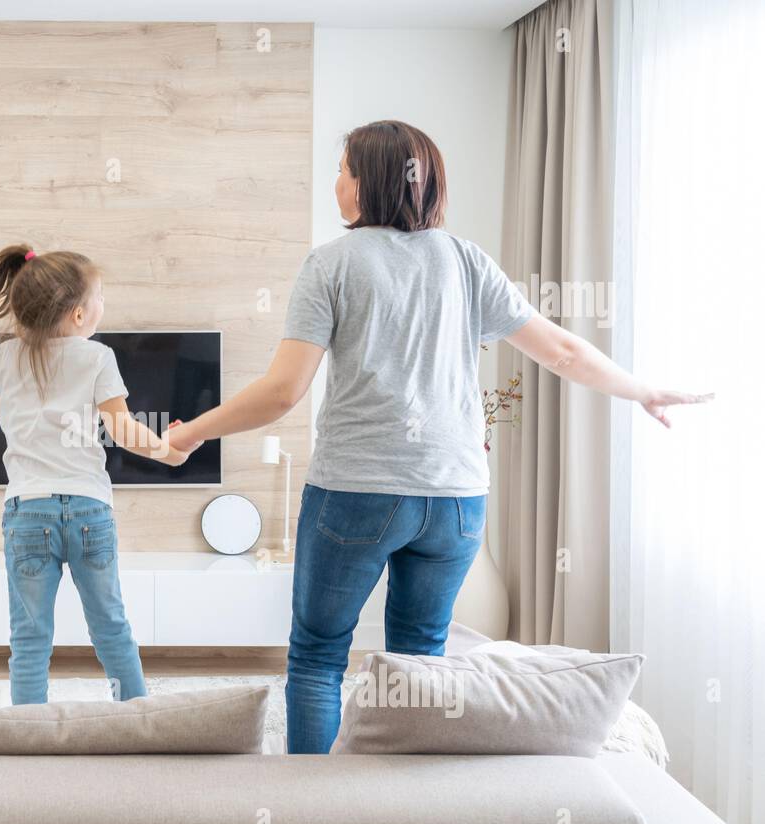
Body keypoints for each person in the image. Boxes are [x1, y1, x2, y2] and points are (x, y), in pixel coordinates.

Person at [165, 120, 711, 753]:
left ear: (367, 182)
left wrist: (192, 434)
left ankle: (312, 818)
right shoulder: (465, 259)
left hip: (357, 492)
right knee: (420, 660)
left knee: (318, 655)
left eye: (343, 169)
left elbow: (284, 390)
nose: (335, 182)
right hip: (455, 500)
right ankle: (411, 814)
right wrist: (640, 389)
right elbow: (560, 351)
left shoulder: (332, 263)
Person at [0, 245, 198, 704]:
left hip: (27, 514)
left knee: (29, 636)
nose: (104, 306)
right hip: (89, 511)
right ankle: (137, 716)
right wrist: (173, 453)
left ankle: (27, 732)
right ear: (80, 315)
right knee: (111, 627)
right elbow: (123, 432)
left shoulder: (5, 356)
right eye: (100, 298)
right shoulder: (98, 357)